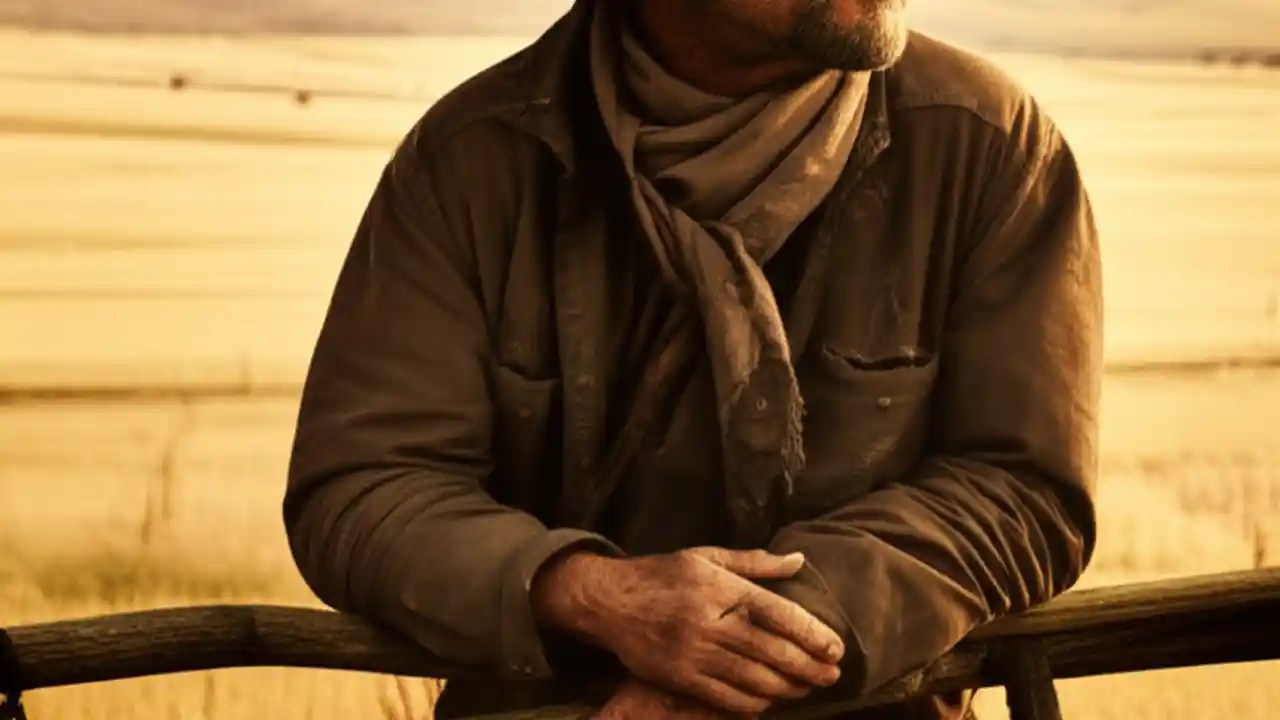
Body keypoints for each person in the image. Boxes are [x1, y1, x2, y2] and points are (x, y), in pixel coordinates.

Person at [283, 0, 1102, 717]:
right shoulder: (473, 163)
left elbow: (1023, 489)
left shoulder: (990, 149)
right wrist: (592, 594)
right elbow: (361, 486)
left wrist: (730, 656)